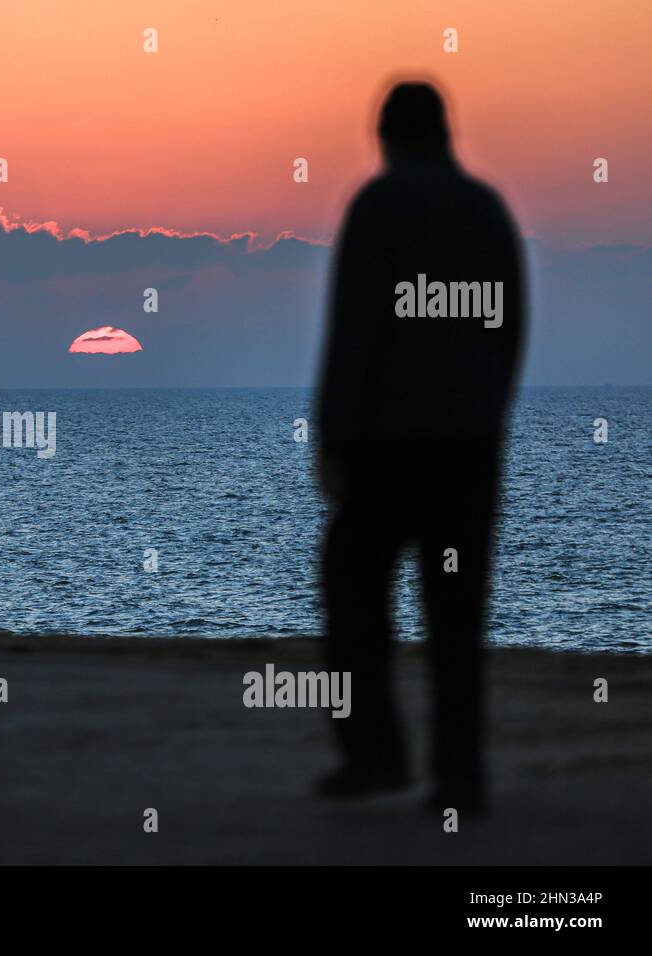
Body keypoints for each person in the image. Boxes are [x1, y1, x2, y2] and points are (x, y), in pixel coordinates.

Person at [314, 81, 526, 814]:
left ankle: (376, 756)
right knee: (458, 613)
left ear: (384, 134)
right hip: (468, 445)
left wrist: (335, 437)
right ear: (445, 131)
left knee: (354, 589)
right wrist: (488, 413)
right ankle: (460, 777)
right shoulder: (487, 209)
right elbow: (510, 327)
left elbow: (354, 328)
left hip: (387, 445)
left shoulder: (378, 206)